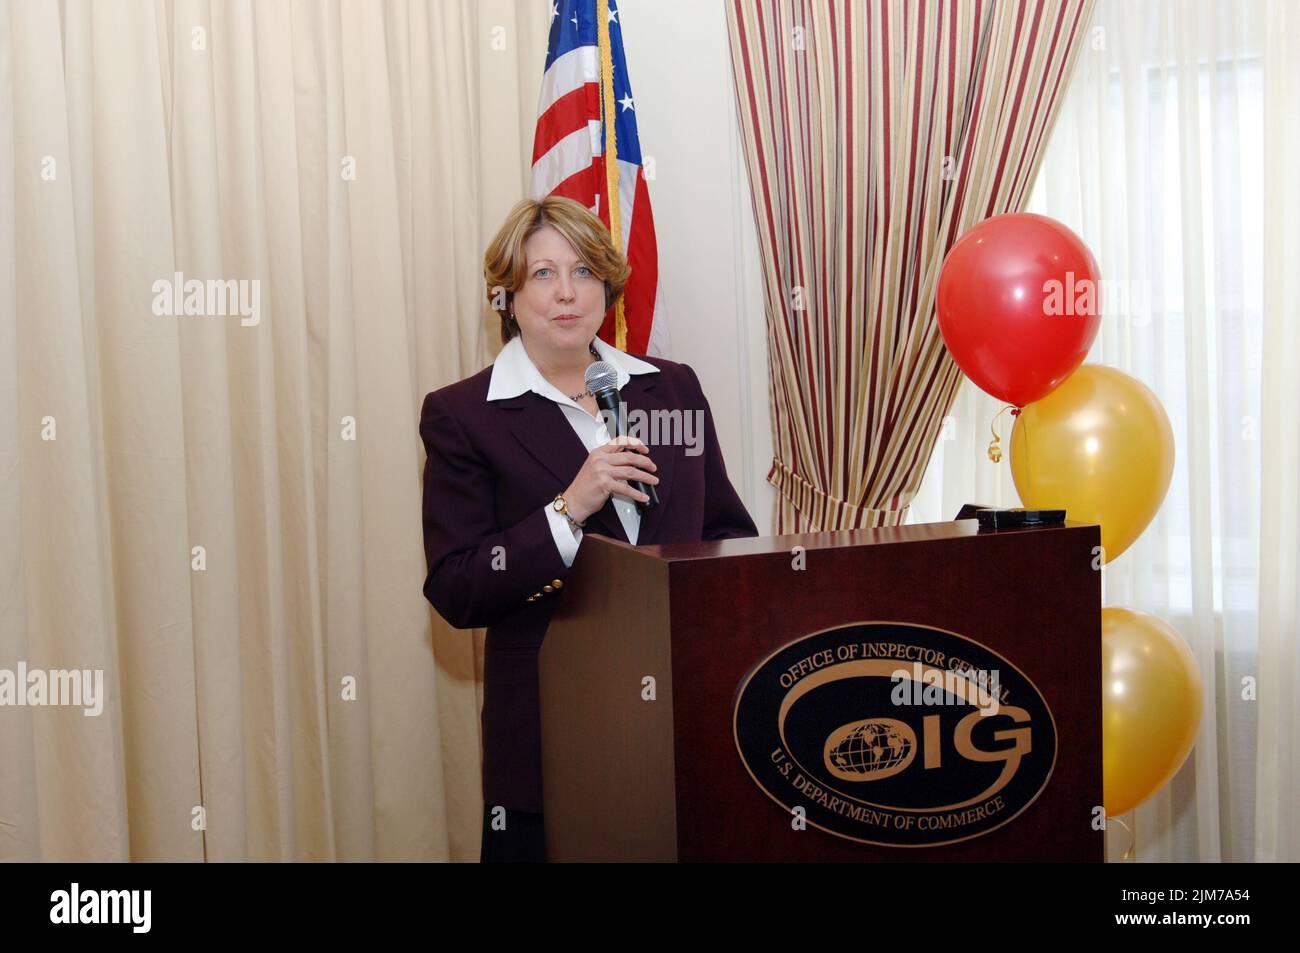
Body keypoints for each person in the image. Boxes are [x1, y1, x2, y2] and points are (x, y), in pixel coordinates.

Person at [419, 195, 758, 862]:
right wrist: (569, 506)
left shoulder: (673, 389)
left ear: (607, 285)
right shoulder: (465, 416)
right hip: (550, 739)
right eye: (542, 274)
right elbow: (457, 587)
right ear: (508, 296)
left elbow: (727, 538)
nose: (566, 293)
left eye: (583, 272)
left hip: (684, 723)